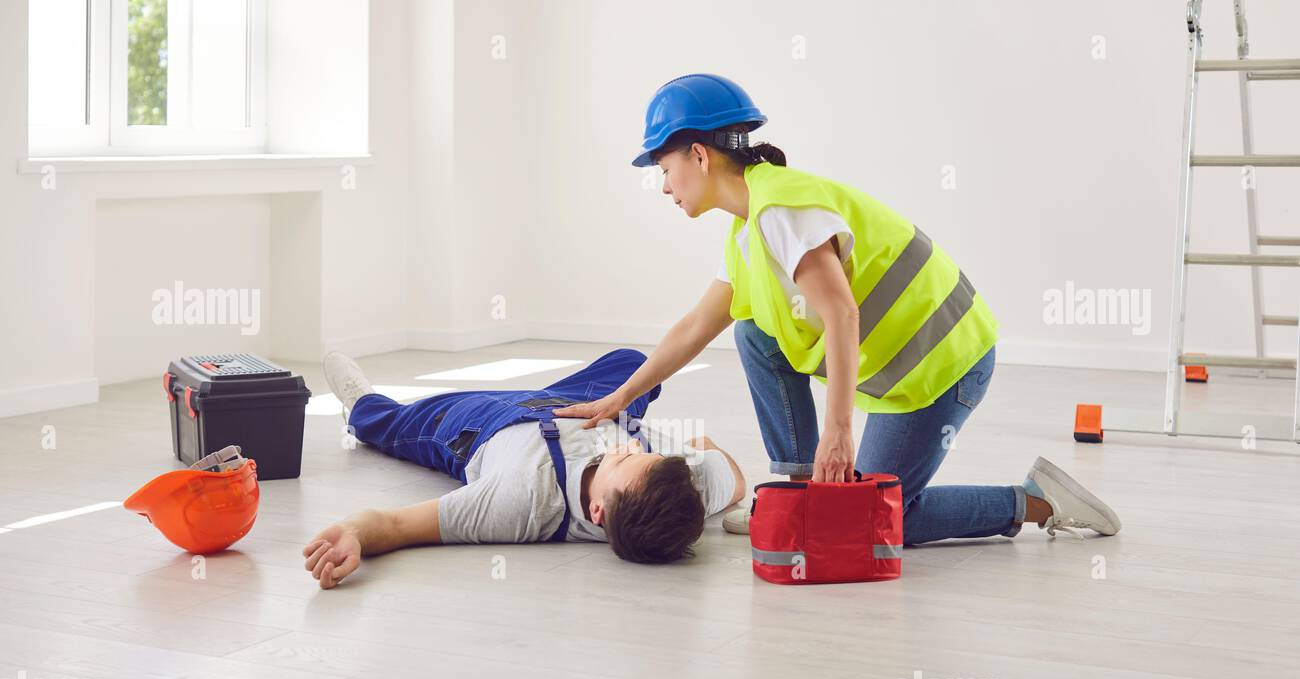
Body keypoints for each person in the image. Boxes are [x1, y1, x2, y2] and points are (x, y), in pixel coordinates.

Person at [555, 73, 1121, 545]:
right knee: (753, 332)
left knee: (873, 525)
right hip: (907, 366)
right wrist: (620, 397)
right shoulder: (748, 228)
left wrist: (839, 433)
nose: (663, 186)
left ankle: (1036, 503)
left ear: (699, 155)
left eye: (663, 168)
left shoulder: (779, 210)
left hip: (944, 367)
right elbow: (697, 327)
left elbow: (842, 314)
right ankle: (798, 494)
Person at [301, 348, 744, 588]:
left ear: (597, 513)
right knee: (636, 364)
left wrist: (354, 531)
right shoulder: (686, 487)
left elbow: (397, 525)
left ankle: (359, 402)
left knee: (387, 424)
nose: (629, 444)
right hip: (584, 406)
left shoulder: (522, 503)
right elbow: (733, 475)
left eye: (625, 458)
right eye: (646, 451)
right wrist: (690, 454)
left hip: (482, 422)